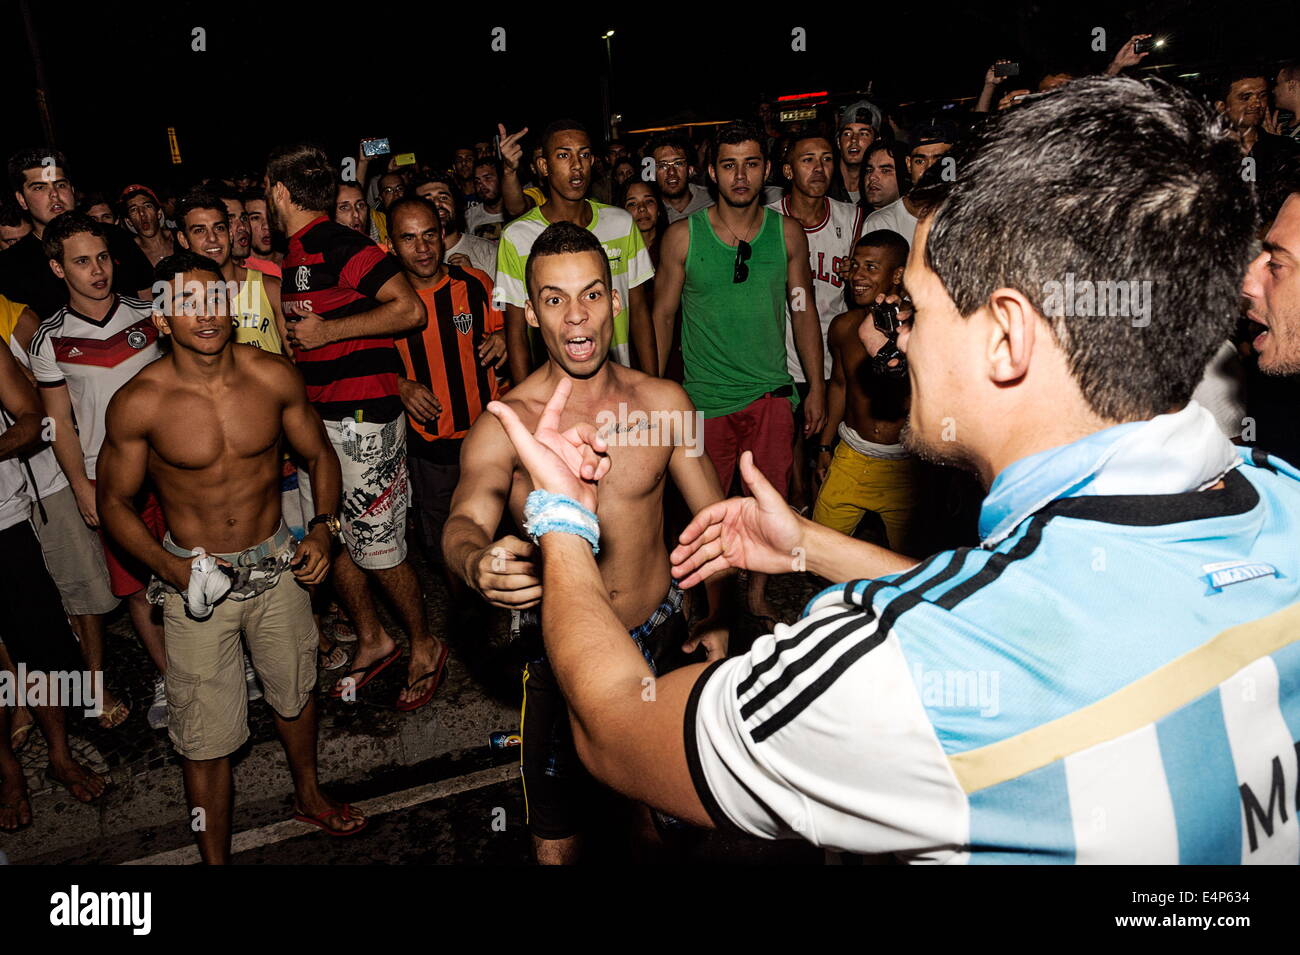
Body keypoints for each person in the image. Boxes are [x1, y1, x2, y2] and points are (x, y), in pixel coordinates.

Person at [493, 76, 1300, 864]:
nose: (893, 337)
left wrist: (562, 518)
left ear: (1006, 338)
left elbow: (613, 729)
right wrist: (812, 544)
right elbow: (1013, 605)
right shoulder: (1280, 496)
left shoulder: (893, 678)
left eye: (911, 307)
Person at [444, 222, 728, 864]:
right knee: (558, 845)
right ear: (530, 311)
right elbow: (465, 518)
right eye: (554, 298)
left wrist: (719, 616)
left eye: (592, 294)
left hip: (663, 638)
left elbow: (714, 521)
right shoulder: (508, 425)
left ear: (617, 299)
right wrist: (474, 562)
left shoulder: (665, 403)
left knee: (669, 828)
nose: (577, 317)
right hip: (563, 655)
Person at [98, 249, 363, 863]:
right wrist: (171, 570)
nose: (205, 312)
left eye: (215, 297)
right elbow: (112, 502)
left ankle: (309, 794)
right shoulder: (141, 401)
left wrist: (323, 531)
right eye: (187, 302)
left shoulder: (272, 376)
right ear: (163, 318)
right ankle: (214, 859)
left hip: (278, 566)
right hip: (193, 584)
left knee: (296, 694)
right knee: (204, 737)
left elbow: (321, 456)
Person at [266, 143, 448, 711]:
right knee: (334, 530)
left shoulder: (338, 243)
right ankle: (374, 637)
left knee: (382, 546)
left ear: (278, 192)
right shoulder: (297, 252)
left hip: (364, 420)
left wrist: (329, 334)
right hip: (323, 422)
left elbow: (409, 309)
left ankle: (425, 644)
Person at [652, 121, 826, 625]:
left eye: (751, 163)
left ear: (767, 169)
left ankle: (754, 598)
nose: (740, 175)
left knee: (767, 504)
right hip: (703, 399)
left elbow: (802, 309)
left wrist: (813, 386)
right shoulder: (682, 236)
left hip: (771, 395)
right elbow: (663, 315)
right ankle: (699, 602)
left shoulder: (786, 232)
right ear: (711, 172)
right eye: (729, 165)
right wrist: (653, 392)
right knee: (699, 514)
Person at [28, 212, 172, 729]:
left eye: (103, 257)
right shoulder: (48, 339)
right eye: (82, 262)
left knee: (192, 566)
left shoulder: (149, 311)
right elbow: (59, 424)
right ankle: (172, 679)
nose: (97, 270)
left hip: (172, 470)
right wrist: (83, 488)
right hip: (111, 482)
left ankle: (219, 660)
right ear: (57, 269)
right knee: (136, 588)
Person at [1, 292, 127, 729]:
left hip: (48, 475)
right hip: (7, 498)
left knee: (81, 587)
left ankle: (92, 683)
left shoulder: (17, 318)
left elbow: (60, 394)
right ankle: (23, 699)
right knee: (20, 610)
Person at [0, 337, 110, 830]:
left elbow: (32, 420)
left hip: (4, 523)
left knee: (39, 649)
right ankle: (8, 774)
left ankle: (60, 755)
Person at [387, 195, 505, 567]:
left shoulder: (476, 284)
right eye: (408, 238)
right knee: (444, 543)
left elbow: (512, 335)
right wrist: (400, 385)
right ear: (391, 245)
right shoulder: (384, 304)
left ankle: (500, 612)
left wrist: (503, 339)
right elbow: (369, 368)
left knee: (496, 531)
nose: (422, 249)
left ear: (443, 235)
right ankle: (463, 614)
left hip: (486, 438)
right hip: (430, 446)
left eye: (429, 235)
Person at [496, 120, 657, 385]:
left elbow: (639, 310)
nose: (576, 165)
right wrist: (526, 406)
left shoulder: (621, 222)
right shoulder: (517, 237)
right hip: (553, 390)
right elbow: (516, 332)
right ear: (544, 166)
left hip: (617, 383)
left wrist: (651, 385)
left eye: (584, 154)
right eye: (563, 155)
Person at [767, 134, 863, 509]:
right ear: (789, 169)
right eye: (808, 160)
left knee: (828, 450)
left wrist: (854, 275)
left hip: (834, 358)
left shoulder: (851, 216)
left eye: (826, 159)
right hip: (781, 356)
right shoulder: (767, 218)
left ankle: (826, 527)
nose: (819, 168)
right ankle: (797, 519)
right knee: (787, 452)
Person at [812, 230, 917, 551]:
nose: (857, 275)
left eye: (871, 267)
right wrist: (825, 446)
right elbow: (840, 385)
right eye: (855, 265)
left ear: (897, 275)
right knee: (821, 551)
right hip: (852, 456)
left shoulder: (921, 328)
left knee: (910, 567)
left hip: (907, 468)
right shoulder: (843, 326)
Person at [0, 148, 153, 318]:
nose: (54, 195)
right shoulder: (10, 267)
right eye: (39, 188)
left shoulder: (116, 238)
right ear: (22, 199)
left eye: (60, 185)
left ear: (72, 190)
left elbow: (148, 299)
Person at [174, 190, 288, 353]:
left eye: (219, 228)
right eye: (200, 230)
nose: (212, 238)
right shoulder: (179, 299)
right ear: (183, 240)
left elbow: (296, 359)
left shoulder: (270, 288)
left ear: (229, 234)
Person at [1216, 66, 1299, 183]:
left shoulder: (1284, 148)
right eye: (1246, 97)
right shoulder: (1207, 152)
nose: (1257, 104)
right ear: (1221, 107)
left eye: (1262, 96)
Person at [413, 174, 497, 275]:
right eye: (428, 201)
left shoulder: (488, 252)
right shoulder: (412, 259)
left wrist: (473, 277)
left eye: (443, 198)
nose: (437, 203)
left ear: (455, 204)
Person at [648, 132, 713, 225]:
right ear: (653, 173)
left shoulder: (712, 200)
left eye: (678, 163)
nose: (671, 172)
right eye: (663, 165)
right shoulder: (650, 210)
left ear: (690, 170)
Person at [861, 142, 919, 245]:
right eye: (869, 170)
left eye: (885, 170)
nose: (872, 177)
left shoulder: (919, 219)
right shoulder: (853, 220)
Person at [828, 100, 882, 204]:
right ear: (839, 142)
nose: (854, 139)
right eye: (847, 134)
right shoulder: (824, 184)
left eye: (863, 134)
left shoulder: (885, 187)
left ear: (876, 142)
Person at [120, 184, 174, 266]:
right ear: (129, 221)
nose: (142, 213)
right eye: (133, 209)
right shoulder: (128, 255)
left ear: (158, 213)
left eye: (147, 206)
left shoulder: (181, 239)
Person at [242, 193, 284, 275]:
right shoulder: (235, 269)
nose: (266, 226)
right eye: (255, 218)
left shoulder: (292, 262)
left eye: (270, 216)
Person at [466, 158, 506, 241]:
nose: (481, 185)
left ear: (502, 179)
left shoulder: (518, 210)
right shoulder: (469, 217)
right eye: (477, 181)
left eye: (487, 178)